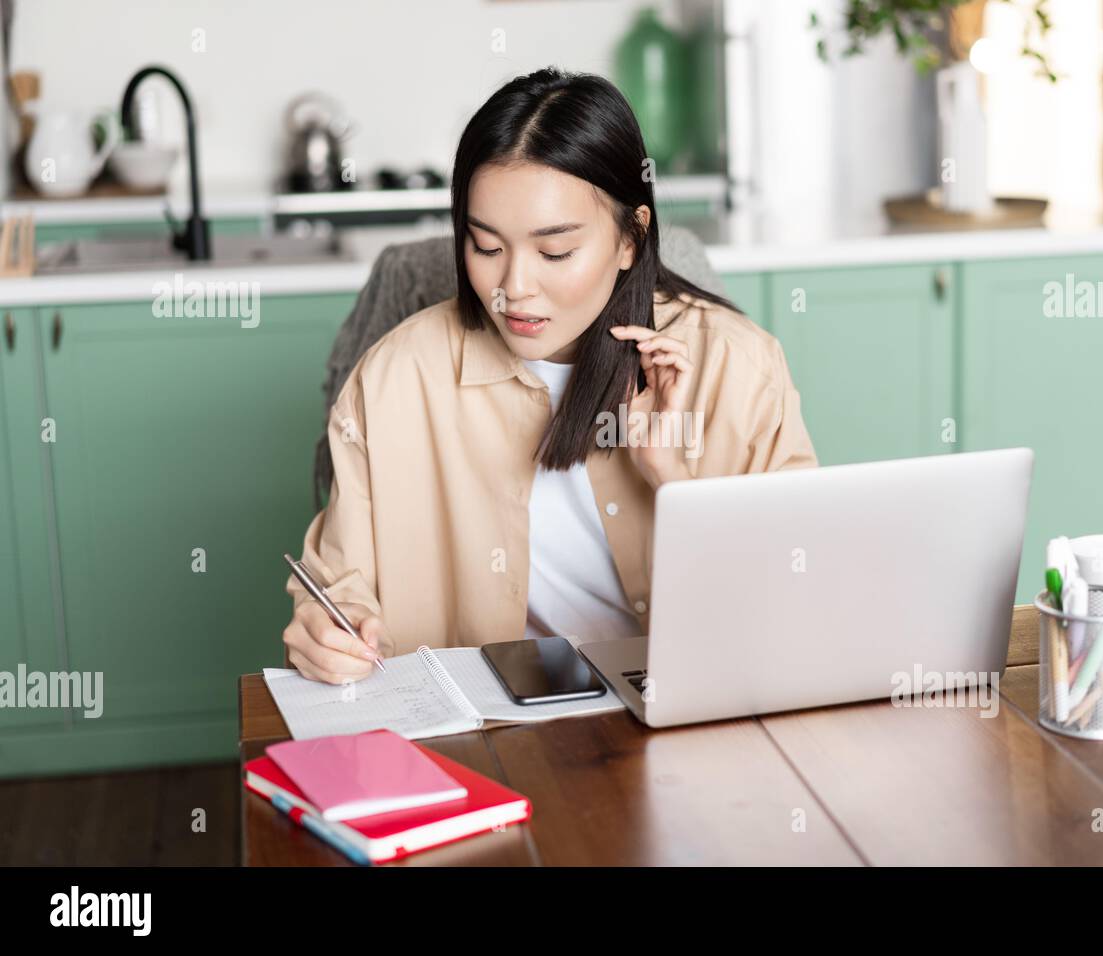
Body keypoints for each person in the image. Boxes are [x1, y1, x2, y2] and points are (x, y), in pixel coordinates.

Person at [282, 67, 817, 684]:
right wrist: (328, 628)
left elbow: (799, 594)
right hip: (494, 748)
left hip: (688, 727)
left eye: (555, 252)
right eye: (486, 247)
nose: (513, 290)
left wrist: (672, 479)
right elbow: (335, 585)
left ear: (630, 239)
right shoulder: (397, 379)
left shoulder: (736, 366)